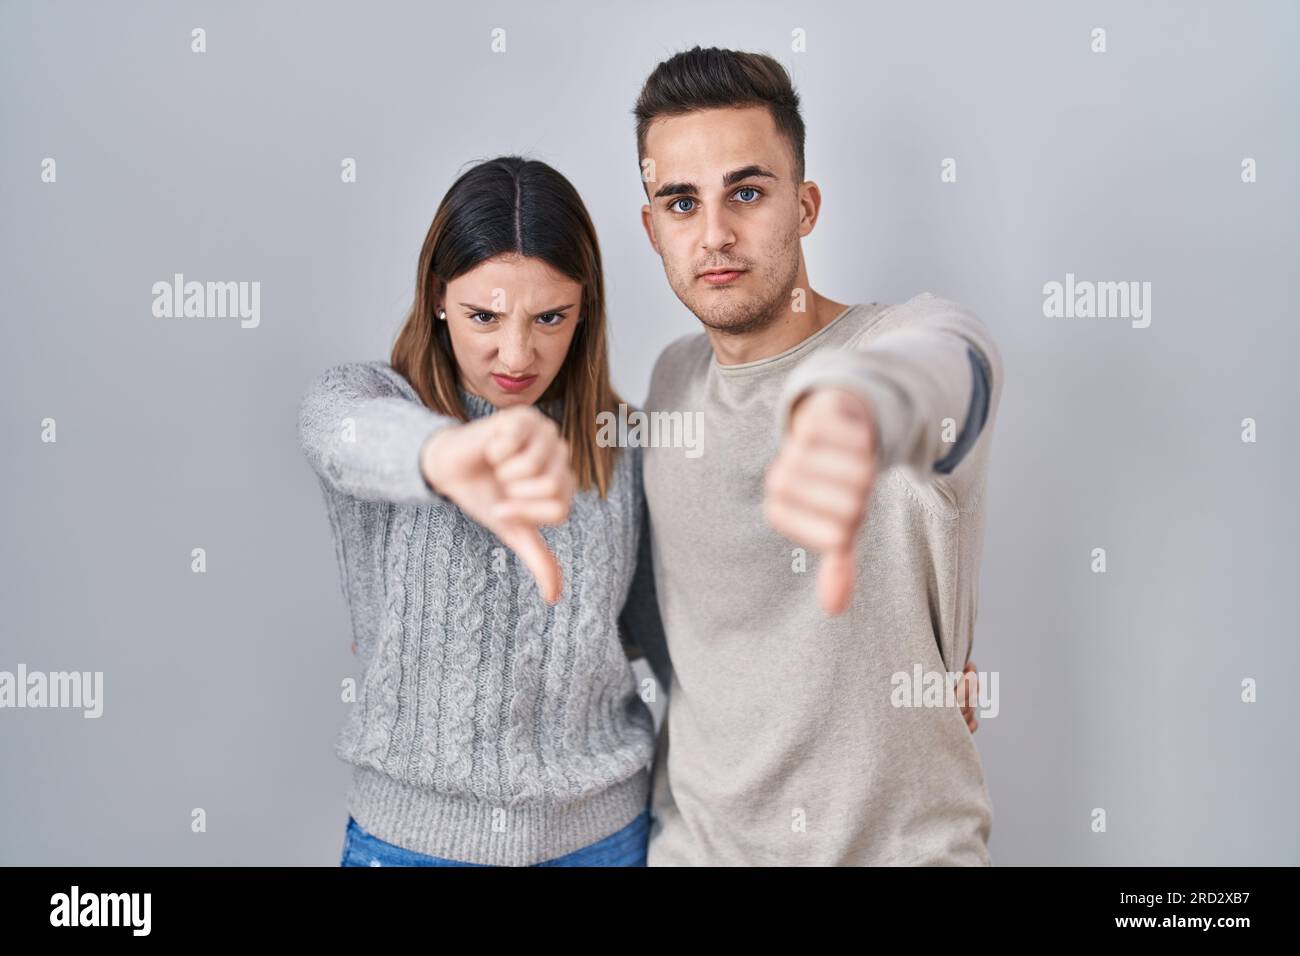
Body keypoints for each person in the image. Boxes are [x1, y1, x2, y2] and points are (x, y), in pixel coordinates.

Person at [631, 47, 1004, 865]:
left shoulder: (896, 343)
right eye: (682, 203)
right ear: (652, 225)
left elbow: (959, 361)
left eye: (748, 192)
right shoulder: (670, 380)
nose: (715, 234)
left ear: (805, 206)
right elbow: (680, 628)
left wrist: (861, 405)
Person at [296, 156, 669, 867]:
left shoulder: (624, 449)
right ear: (439, 298)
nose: (516, 354)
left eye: (550, 317)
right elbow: (335, 429)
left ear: (585, 307)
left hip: (604, 840)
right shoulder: (376, 405)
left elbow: (681, 646)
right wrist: (443, 456)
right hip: (412, 844)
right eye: (484, 316)